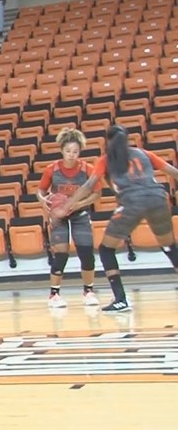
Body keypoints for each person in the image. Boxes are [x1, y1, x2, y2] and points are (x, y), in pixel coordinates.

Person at [54, 125, 178, 312]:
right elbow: (173, 172)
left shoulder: (106, 160)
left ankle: (121, 299)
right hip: (158, 199)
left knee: (106, 249)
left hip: (131, 203)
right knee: (169, 247)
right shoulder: (143, 153)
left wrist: (66, 205)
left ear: (108, 142)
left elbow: (88, 186)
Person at [36, 127, 100, 308]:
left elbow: (97, 194)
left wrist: (76, 204)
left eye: (75, 151)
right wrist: (44, 200)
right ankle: (54, 295)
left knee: (86, 253)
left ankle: (88, 292)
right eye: (68, 151)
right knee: (61, 254)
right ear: (61, 151)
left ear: (80, 152)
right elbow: (40, 191)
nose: (71, 155)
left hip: (80, 213)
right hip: (59, 216)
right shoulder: (52, 169)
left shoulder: (87, 168)